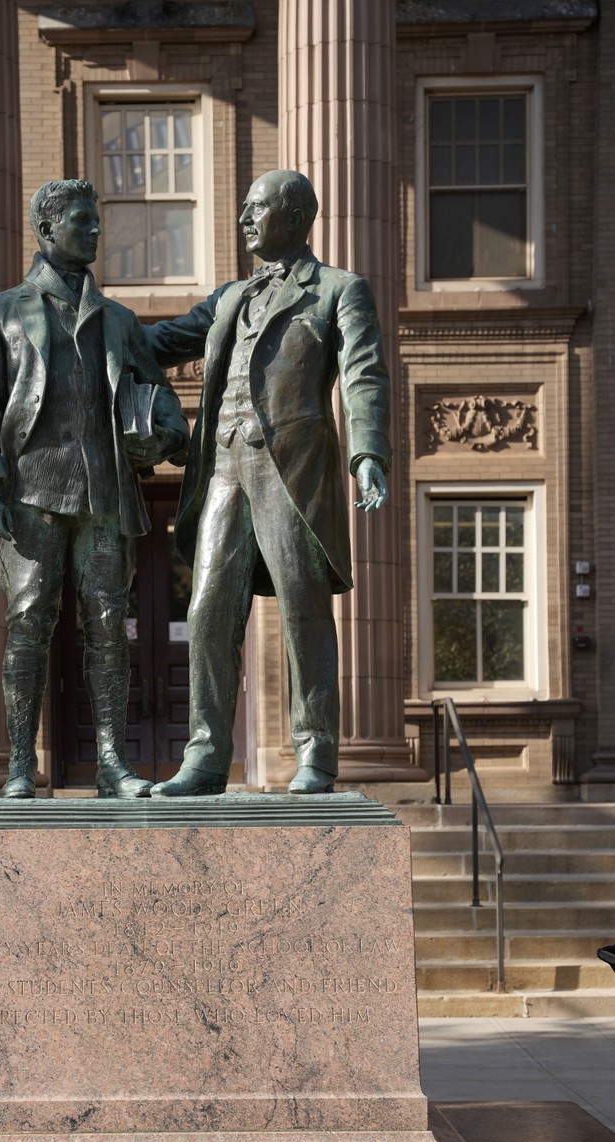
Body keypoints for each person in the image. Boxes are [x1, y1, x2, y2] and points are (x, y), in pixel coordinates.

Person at [145, 169, 391, 797]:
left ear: (296, 216)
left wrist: (368, 453)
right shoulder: (231, 297)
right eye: (245, 209)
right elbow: (159, 342)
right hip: (223, 467)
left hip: (291, 470)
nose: (244, 220)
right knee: (206, 608)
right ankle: (205, 757)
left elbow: (363, 374)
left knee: (303, 608)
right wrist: (92, 328)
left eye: (257, 208)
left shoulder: (338, 290)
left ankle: (316, 753)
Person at [0, 179, 188, 798]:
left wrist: (163, 440)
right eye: (82, 221)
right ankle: (20, 765)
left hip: (104, 492)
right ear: (47, 229)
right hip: (31, 491)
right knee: (28, 621)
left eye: (96, 220)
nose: (95, 230)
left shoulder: (118, 321)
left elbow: (164, 400)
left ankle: (111, 762)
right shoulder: (1, 312)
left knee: (109, 624)